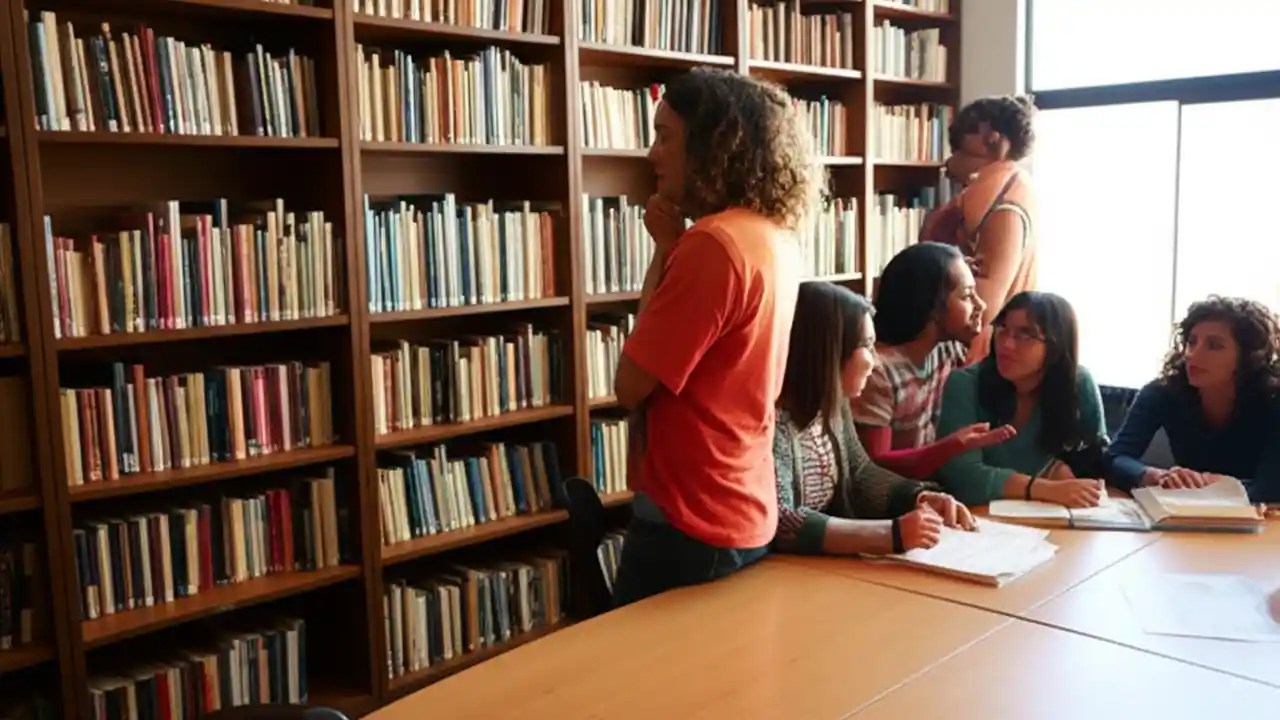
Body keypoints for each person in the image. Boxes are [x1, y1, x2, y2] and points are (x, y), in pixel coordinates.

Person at [610, 68, 819, 605]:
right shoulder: (771, 237)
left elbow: (631, 385)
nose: (652, 153)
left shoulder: (713, 245)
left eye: (665, 136)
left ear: (711, 143)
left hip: (688, 517)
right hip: (742, 499)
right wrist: (665, 246)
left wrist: (670, 250)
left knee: (638, 681)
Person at [773, 282, 975, 556]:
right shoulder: (771, 421)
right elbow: (781, 520)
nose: (876, 361)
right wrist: (889, 535)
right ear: (829, 351)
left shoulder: (832, 406)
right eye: (867, 346)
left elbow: (859, 475)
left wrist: (917, 497)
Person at [852, 242, 1015, 479]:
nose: (982, 305)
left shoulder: (947, 350)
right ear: (932, 307)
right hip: (894, 499)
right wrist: (953, 446)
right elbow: (874, 466)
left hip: (934, 488)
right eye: (968, 296)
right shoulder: (878, 372)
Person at [935, 291, 1108, 507]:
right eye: (1002, 329)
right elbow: (962, 478)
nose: (1006, 344)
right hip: (977, 516)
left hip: (1056, 516)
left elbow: (1094, 462)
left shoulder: (1078, 384)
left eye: (1024, 336)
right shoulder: (964, 384)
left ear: (1056, 346)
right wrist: (1046, 487)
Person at [1106, 296, 1280, 503]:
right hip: (1188, 512)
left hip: (1260, 522)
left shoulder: (1273, 400)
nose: (1192, 354)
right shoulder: (1162, 392)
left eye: (1214, 345)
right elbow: (1114, 458)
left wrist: (1217, 485)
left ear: (1249, 356)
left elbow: (1271, 487)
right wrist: (1150, 475)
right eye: (1191, 342)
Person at [919, 95, 1039, 364]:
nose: (951, 164)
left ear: (993, 141)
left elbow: (981, 307)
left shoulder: (1004, 202)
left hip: (981, 361)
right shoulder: (999, 193)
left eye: (960, 152)